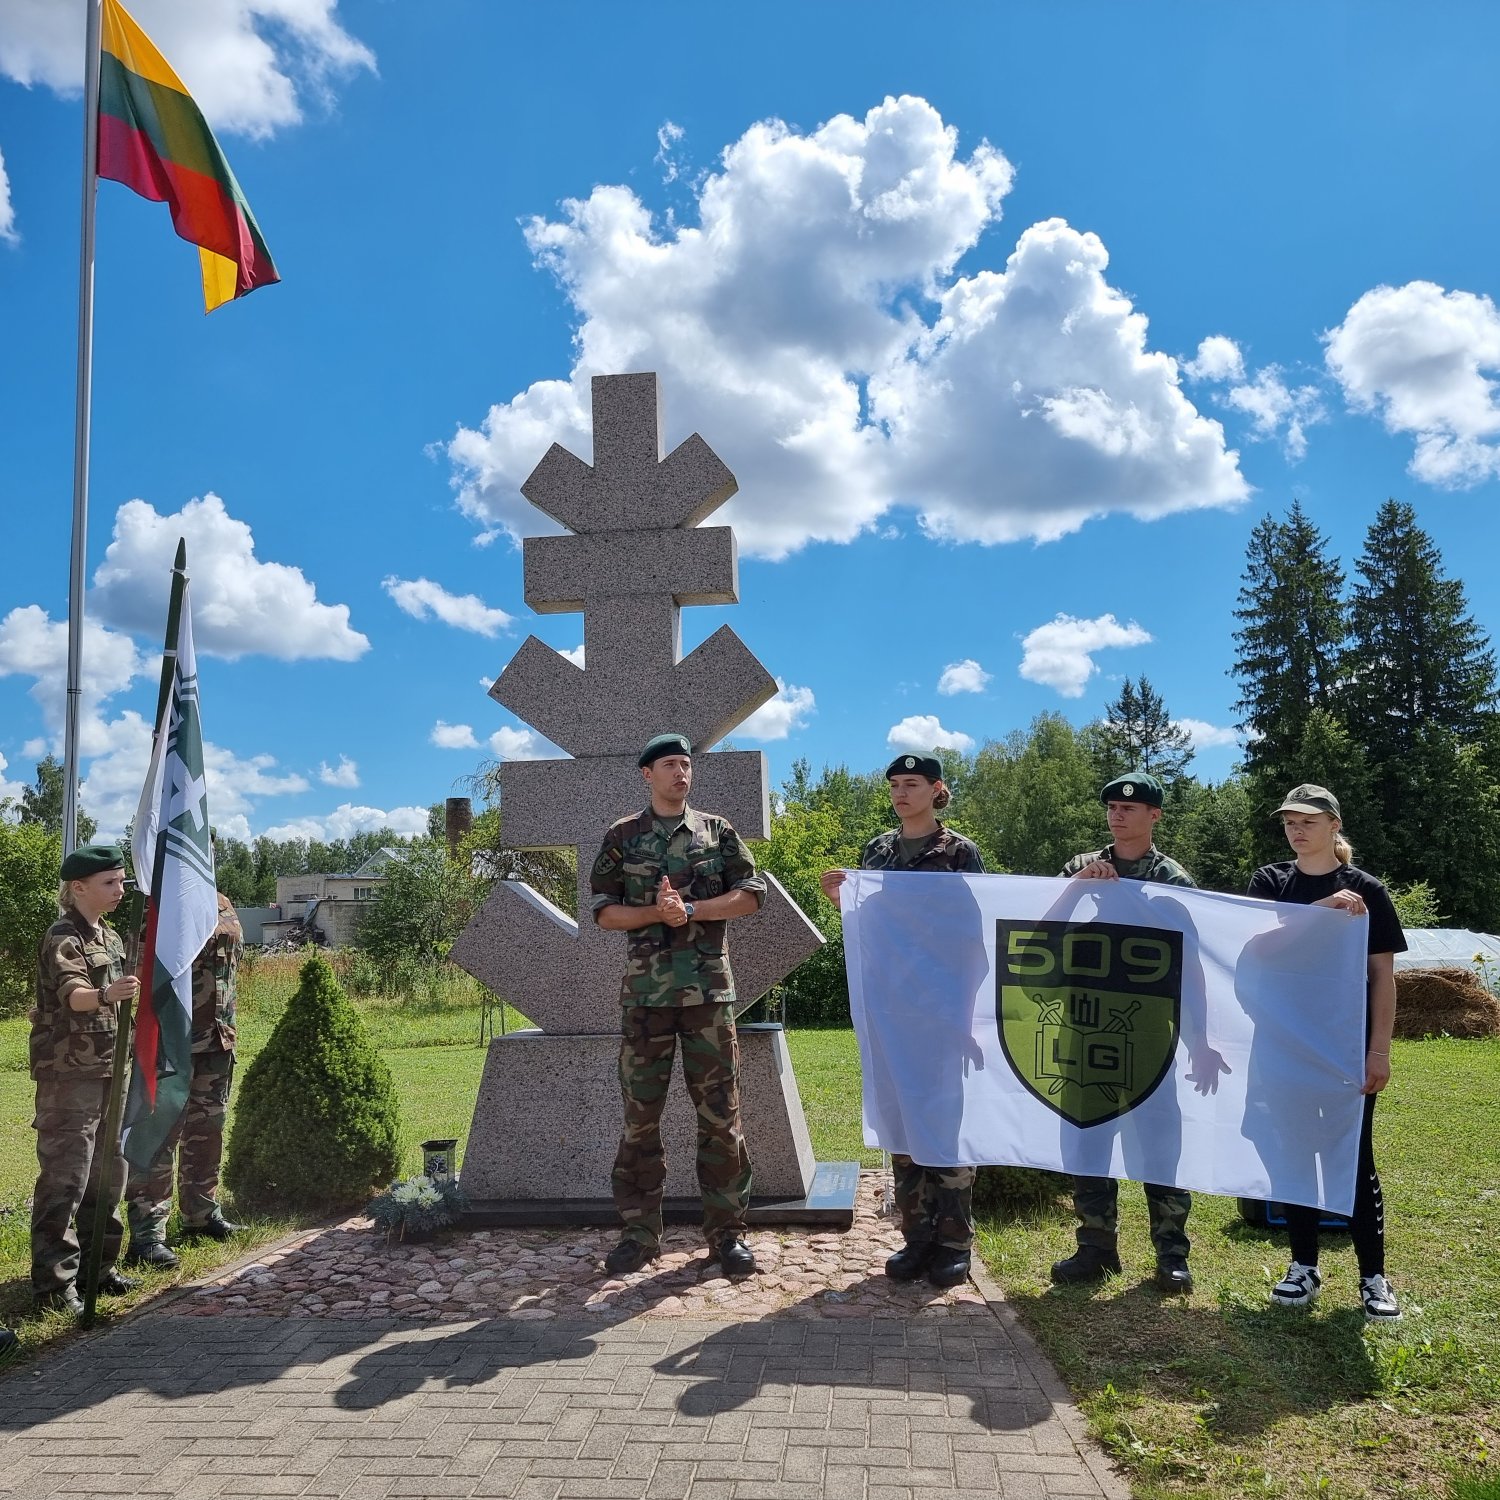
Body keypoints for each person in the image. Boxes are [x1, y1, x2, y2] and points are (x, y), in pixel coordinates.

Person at [590, 733, 766, 1279]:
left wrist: (690, 908)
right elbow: (604, 912)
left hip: (709, 996)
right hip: (646, 1001)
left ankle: (728, 1236)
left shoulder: (717, 832)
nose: (681, 773)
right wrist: (655, 914)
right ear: (647, 774)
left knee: (721, 1120)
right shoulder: (623, 835)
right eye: (670, 765)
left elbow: (753, 894)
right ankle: (640, 1234)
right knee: (640, 1121)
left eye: (686, 765)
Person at [821, 753, 986, 1289]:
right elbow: (873, 927)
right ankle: (916, 1237)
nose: (900, 793)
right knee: (902, 1126)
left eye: (911, 784)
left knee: (945, 1127)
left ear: (936, 790)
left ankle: (954, 1242)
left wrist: (967, 1014)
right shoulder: (878, 850)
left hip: (941, 1010)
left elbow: (971, 937)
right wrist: (842, 898)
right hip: (892, 1009)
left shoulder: (959, 852)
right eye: (894, 784)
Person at [1247, 784, 1404, 1321]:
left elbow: (1382, 976)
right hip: (1283, 1042)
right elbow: (1258, 948)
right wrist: (1319, 910)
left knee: (1352, 1157)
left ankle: (1373, 1278)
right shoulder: (1271, 882)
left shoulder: (1367, 891)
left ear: (1335, 825)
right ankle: (1303, 1266)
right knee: (1292, 1154)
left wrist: (1377, 1051)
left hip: (1344, 1047)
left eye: (1308, 820)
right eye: (1289, 820)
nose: (1297, 829)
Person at [1052, 771, 1198, 1294]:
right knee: (1088, 1140)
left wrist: (1199, 1040)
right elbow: (1043, 929)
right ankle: (1095, 1248)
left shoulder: (1173, 879)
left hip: (1150, 1032)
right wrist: (1077, 889)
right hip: (1087, 1026)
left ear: (1154, 815)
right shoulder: (1081, 867)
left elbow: (1193, 962)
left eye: (1130, 809)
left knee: (1160, 1147)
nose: (1118, 814)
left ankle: (1171, 1256)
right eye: (1112, 806)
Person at [29, 845, 142, 1314]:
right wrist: (105, 993)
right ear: (78, 887)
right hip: (67, 1077)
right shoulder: (64, 935)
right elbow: (74, 995)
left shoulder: (111, 937)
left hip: (110, 1071)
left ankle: (99, 1267)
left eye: (120, 881)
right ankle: (55, 1287)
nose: (119, 890)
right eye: (109, 883)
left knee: (108, 1174)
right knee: (66, 1180)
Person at [124, 890, 244, 1269]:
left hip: (216, 1037)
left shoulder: (221, 902)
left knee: (208, 1129)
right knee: (158, 1134)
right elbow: (139, 970)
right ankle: (148, 1233)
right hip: (168, 1042)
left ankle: (200, 1214)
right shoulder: (156, 902)